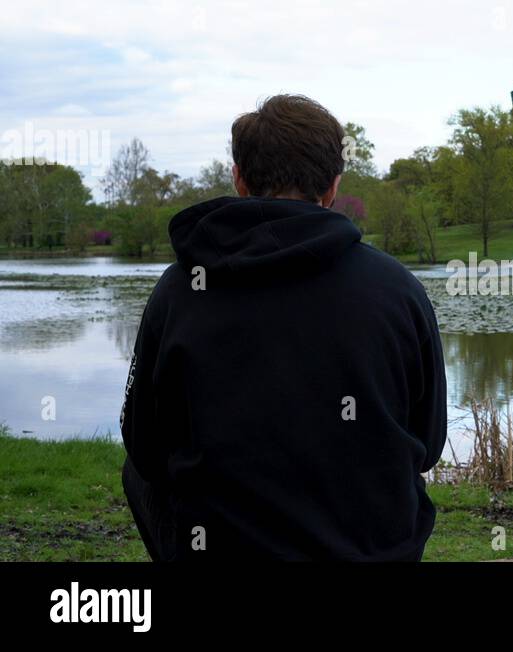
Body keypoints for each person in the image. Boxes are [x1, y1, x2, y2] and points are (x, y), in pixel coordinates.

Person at [120, 94, 447, 561]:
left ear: (239, 179)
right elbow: (429, 445)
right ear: (332, 187)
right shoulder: (398, 289)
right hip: (372, 552)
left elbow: (145, 446)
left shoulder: (181, 289)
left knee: (137, 472)